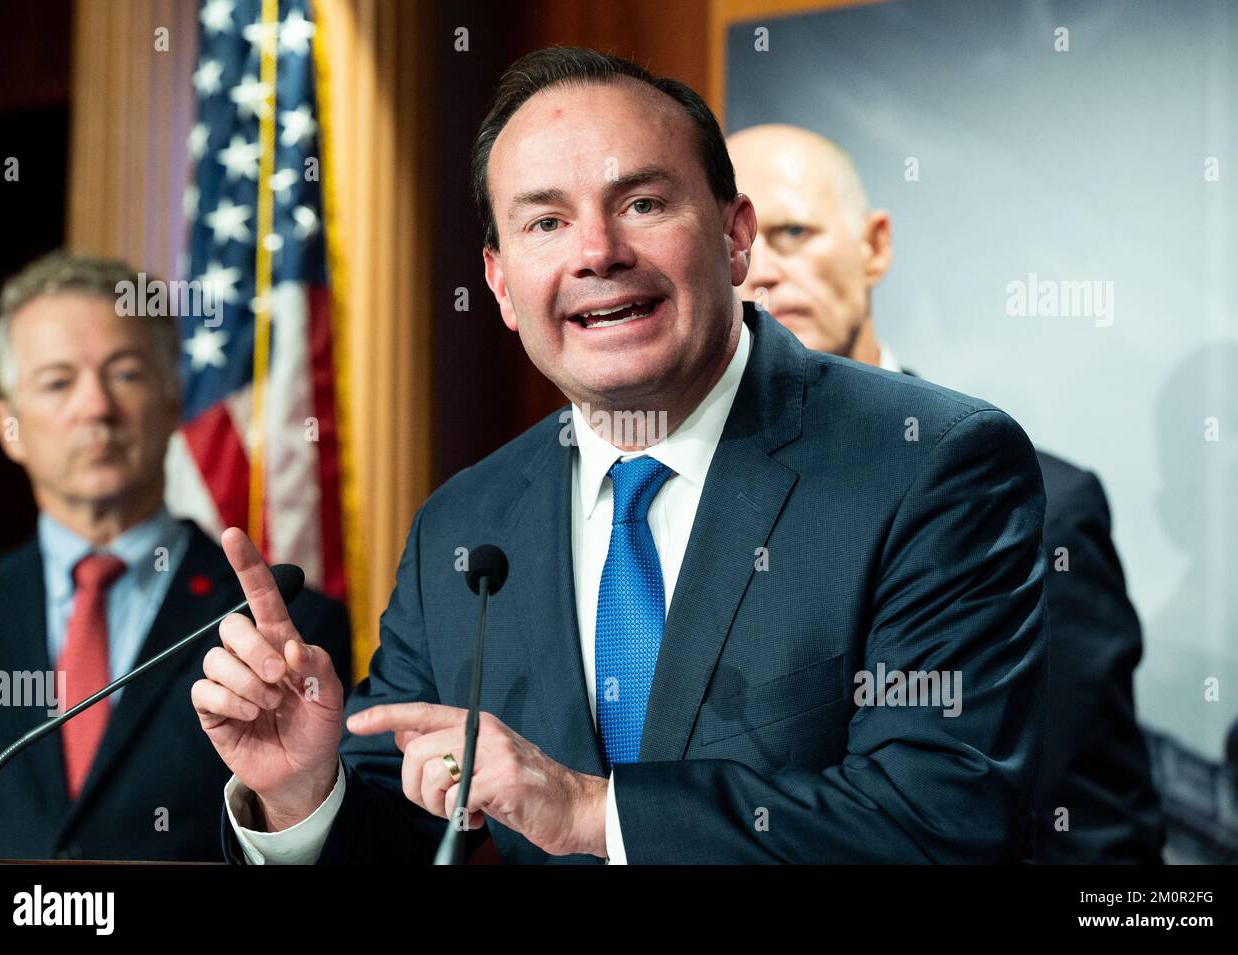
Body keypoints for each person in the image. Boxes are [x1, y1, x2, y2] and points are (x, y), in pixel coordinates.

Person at [196, 47, 1048, 864]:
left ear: (736, 236)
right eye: (546, 221)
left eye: (642, 203)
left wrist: (591, 814)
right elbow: (414, 836)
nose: (597, 251)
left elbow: (940, 821)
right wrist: (304, 795)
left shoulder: (930, 466)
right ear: (499, 283)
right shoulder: (464, 525)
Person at [729, 122, 1165, 864]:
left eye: (795, 232)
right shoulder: (666, 509)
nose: (761, 270)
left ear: (875, 245)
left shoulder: (1038, 505)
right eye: (732, 246)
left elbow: (1094, 839)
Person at [0, 251, 351, 861]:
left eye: (124, 373)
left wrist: (291, 803)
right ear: (7, 426)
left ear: (173, 401)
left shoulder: (288, 629)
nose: (96, 409)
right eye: (58, 382)